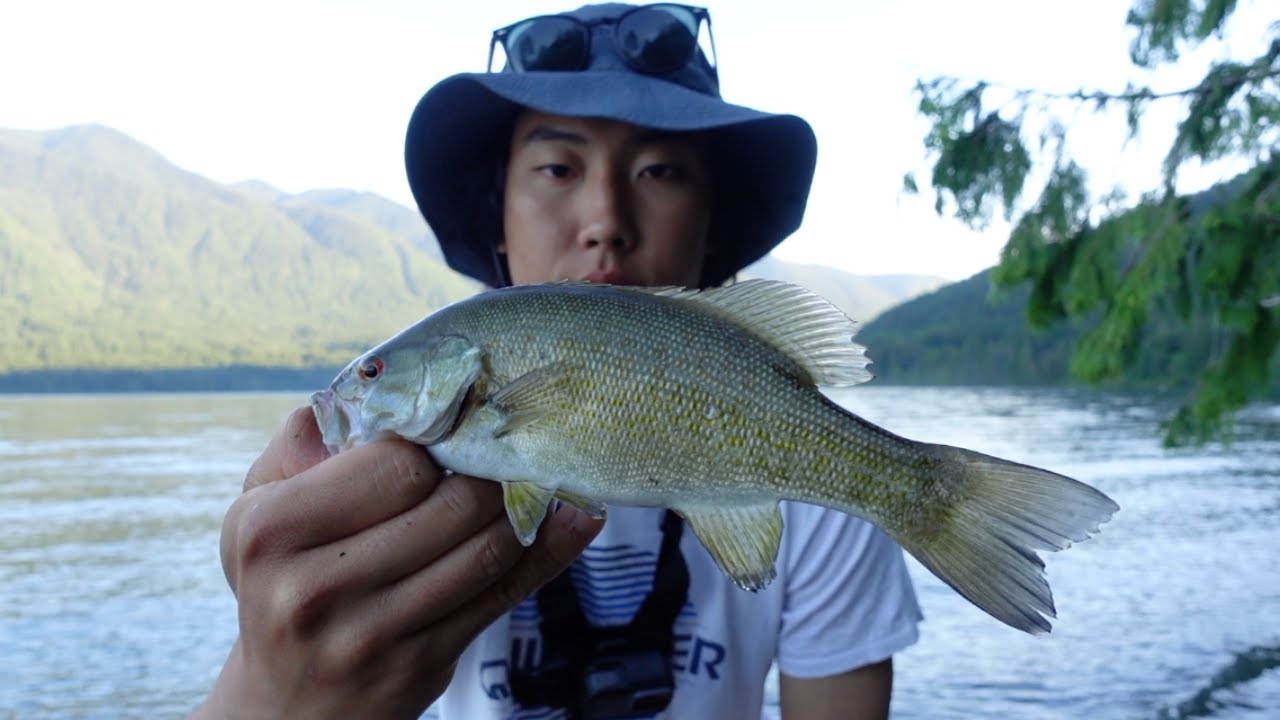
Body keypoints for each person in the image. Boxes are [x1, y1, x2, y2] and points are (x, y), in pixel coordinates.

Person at [190, 4, 922, 719]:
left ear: (714, 222)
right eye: (556, 167)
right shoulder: (378, 506)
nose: (606, 219)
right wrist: (271, 692)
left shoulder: (833, 508)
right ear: (497, 219)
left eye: (660, 170)